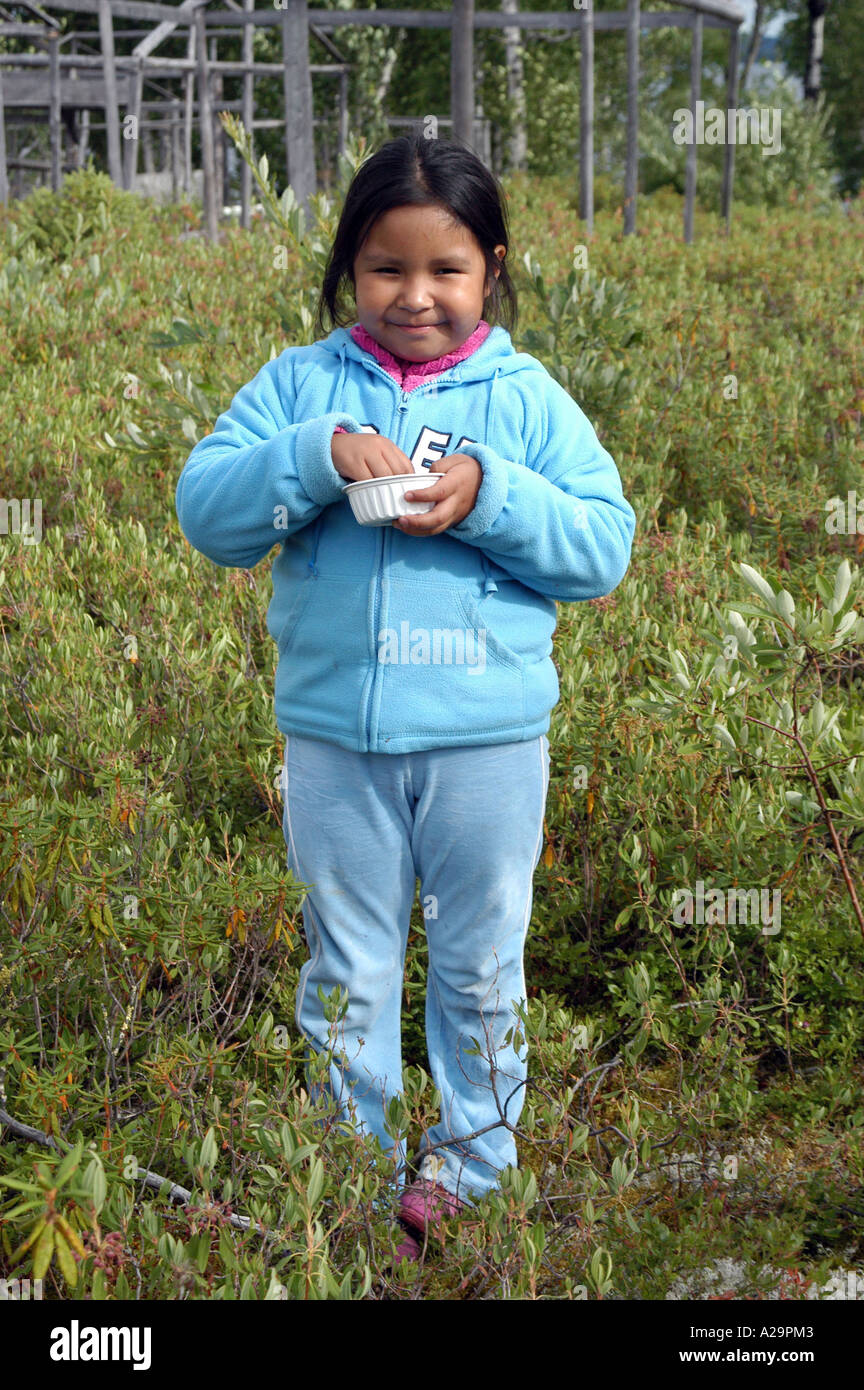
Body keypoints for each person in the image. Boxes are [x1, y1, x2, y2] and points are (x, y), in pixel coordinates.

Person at [174, 132, 636, 1266]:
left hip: (488, 744)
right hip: (335, 742)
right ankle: (345, 1164)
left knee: (483, 960)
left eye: (448, 270)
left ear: (492, 269)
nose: (416, 296)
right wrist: (318, 456)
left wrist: (491, 494)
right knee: (348, 959)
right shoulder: (301, 386)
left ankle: (472, 1168)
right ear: (348, 269)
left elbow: (601, 546)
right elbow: (207, 510)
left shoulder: (526, 402)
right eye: (387, 269)